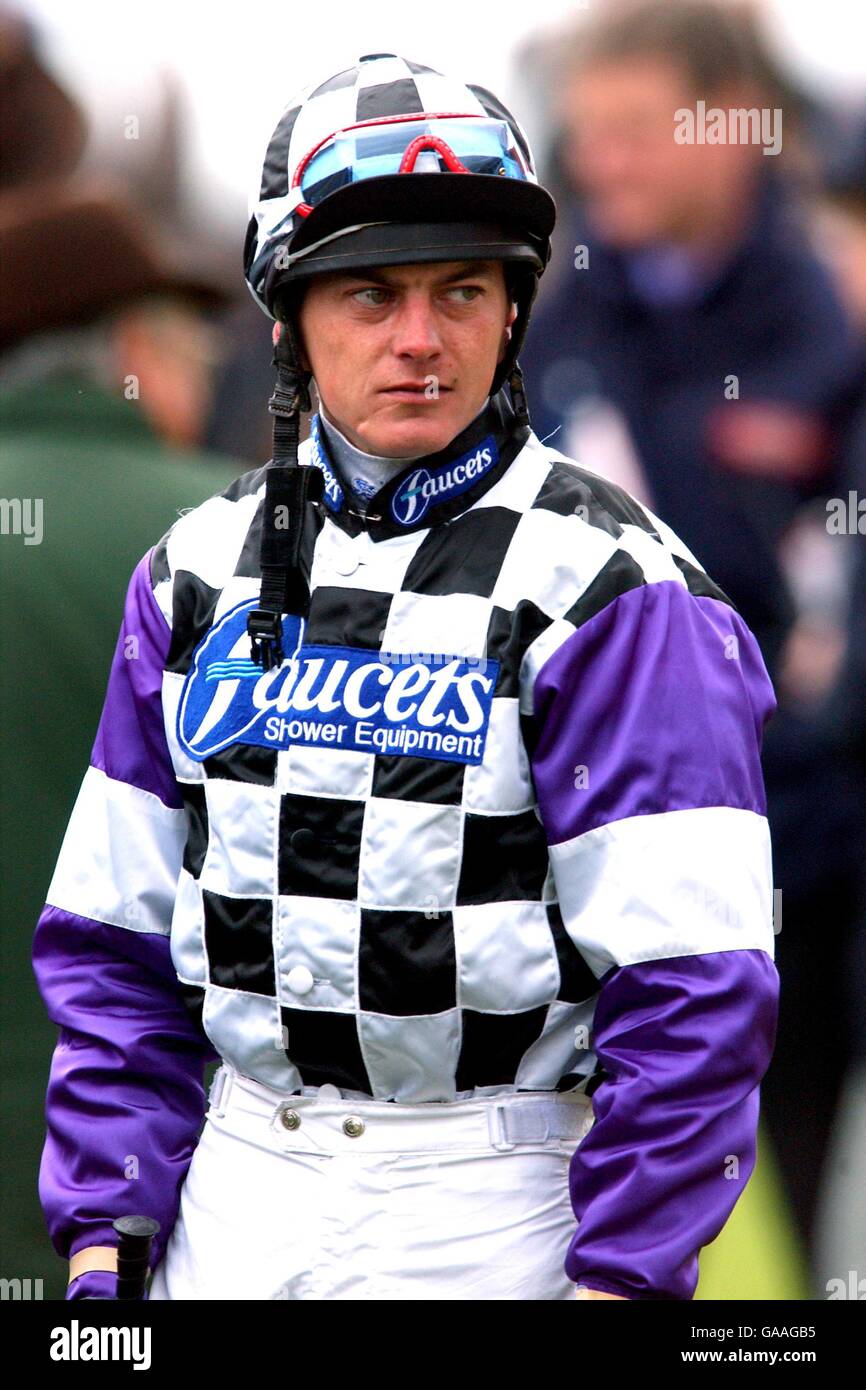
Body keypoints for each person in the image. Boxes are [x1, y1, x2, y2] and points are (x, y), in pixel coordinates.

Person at [33, 52, 779, 1302]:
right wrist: (105, 1238)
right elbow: (113, 946)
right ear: (289, 319)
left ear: (513, 308)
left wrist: (622, 1278)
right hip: (233, 1190)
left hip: (500, 1210)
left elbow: (692, 995)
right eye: (370, 295)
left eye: (462, 290)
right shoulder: (191, 572)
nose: (422, 341)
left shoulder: (621, 591)